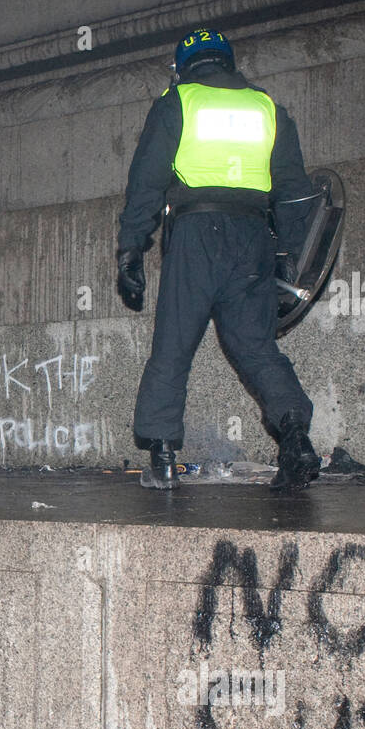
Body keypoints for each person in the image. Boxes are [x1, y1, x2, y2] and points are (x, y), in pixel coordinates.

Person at [117, 28, 322, 491]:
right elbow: (293, 191)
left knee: (174, 344)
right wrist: (288, 255)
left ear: (183, 66)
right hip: (253, 236)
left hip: (196, 233)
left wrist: (132, 247)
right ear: (228, 62)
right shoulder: (267, 107)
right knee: (257, 347)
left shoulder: (178, 102)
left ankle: (164, 456)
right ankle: (294, 436)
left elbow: (146, 181)